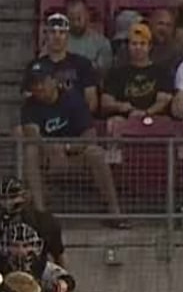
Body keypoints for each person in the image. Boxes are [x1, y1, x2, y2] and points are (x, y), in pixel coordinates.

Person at [15, 61, 122, 221]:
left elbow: (90, 135)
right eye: (33, 84)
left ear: (53, 80)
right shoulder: (30, 105)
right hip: (47, 155)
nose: (38, 87)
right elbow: (32, 135)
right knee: (30, 151)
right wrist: (52, 149)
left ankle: (114, 211)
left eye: (41, 82)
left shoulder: (73, 99)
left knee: (96, 153)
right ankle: (40, 212)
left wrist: (67, 147)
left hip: (74, 153)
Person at [103, 22, 175, 133]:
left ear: (150, 46)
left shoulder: (162, 72)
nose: (138, 48)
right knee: (114, 122)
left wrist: (145, 113)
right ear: (128, 46)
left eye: (142, 44)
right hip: (125, 118)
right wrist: (120, 106)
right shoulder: (116, 73)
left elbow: (163, 101)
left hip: (153, 117)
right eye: (134, 44)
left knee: (165, 122)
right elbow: (106, 102)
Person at [34, 12, 100, 113]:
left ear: (68, 36)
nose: (57, 37)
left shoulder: (83, 64)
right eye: (52, 32)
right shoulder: (35, 67)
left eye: (62, 32)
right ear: (46, 35)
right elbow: (30, 101)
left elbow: (92, 101)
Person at [64, 0, 114, 76]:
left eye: (79, 18)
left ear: (87, 15)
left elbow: (103, 72)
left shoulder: (102, 43)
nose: (76, 23)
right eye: (72, 19)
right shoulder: (57, 41)